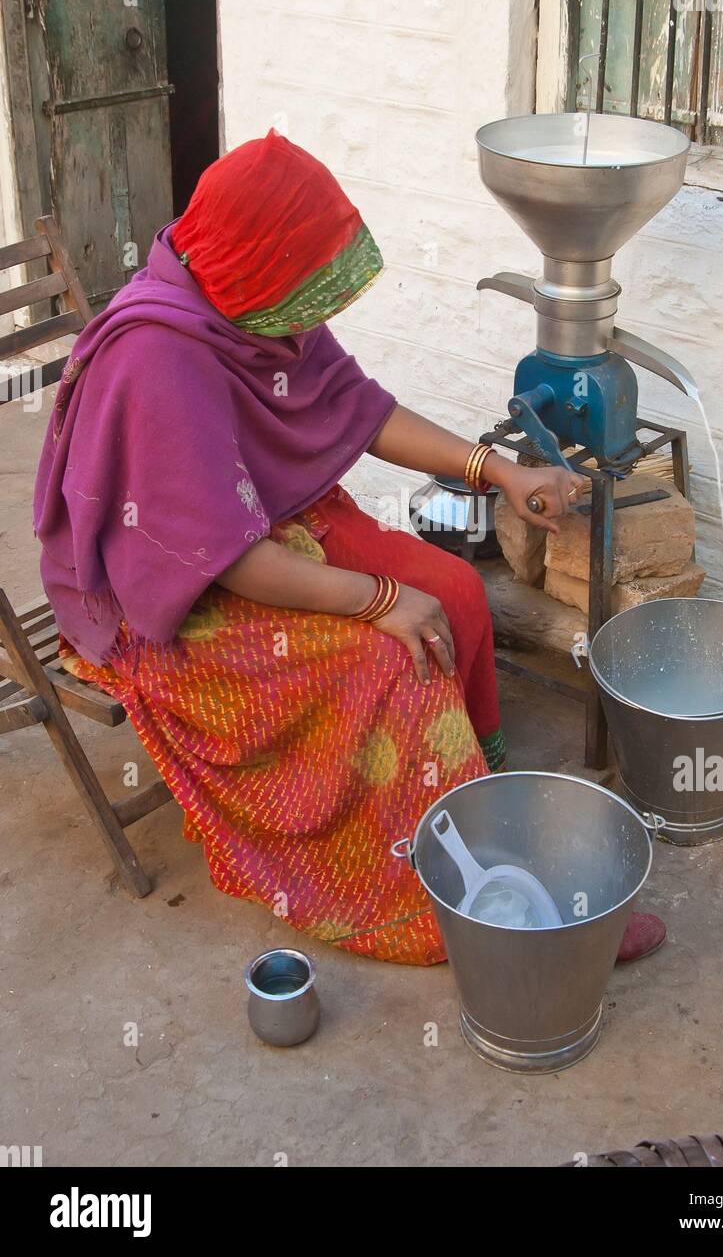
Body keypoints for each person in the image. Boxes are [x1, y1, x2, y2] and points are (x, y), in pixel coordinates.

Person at [33, 130, 665, 965]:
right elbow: (221, 558)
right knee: (392, 667)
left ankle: (465, 794)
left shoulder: (248, 297)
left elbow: (358, 406)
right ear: (258, 269)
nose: (317, 319)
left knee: (456, 593)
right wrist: (377, 602)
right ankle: (455, 902)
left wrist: (500, 472)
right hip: (183, 592)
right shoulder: (160, 359)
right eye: (308, 295)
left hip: (271, 521)